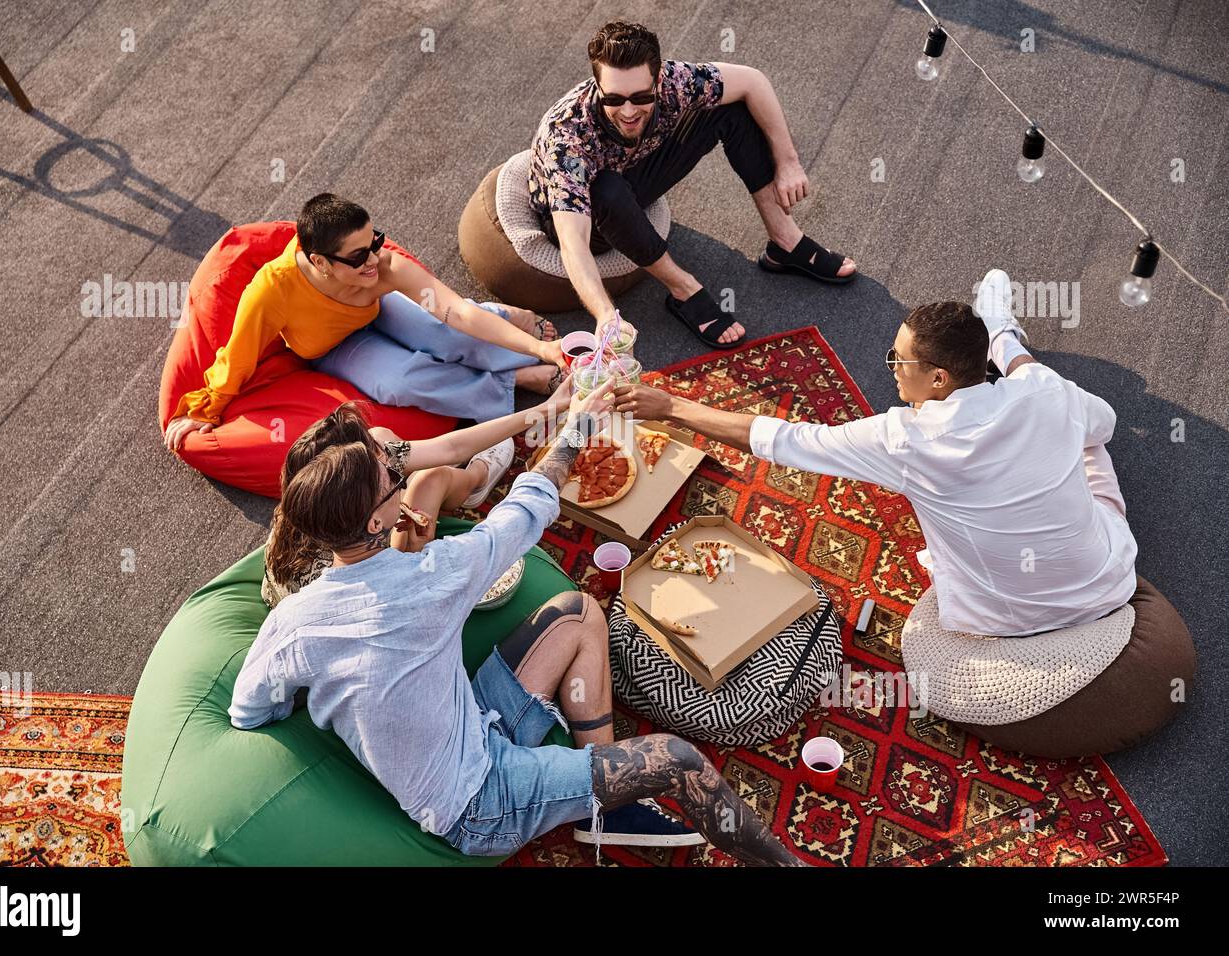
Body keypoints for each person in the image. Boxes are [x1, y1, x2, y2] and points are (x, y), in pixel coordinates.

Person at [230, 384, 803, 865]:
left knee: (579, 613)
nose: (403, 475)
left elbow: (249, 709)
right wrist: (576, 427)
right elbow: (528, 506)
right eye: (392, 479)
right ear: (379, 517)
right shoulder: (434, 577)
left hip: (471, 722)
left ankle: (604, 809)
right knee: (675, 760)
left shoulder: (292, 622)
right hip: (478, 804)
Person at [612, 269, 1138, 638]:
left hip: (1000, 616)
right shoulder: (1047, 392)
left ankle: (999, 330)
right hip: (1106, 582)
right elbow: (1105, 426)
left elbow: (782, 440)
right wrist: (1039, 393)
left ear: (937, 377)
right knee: (1079, 435)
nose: (890, 366)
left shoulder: (903, 438)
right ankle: (1002, 337)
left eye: (898, 359)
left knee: (1071, 431)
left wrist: (672, 407)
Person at [529, 19, 857, 351]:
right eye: (613, 99)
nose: (627, 111)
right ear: (597, 86)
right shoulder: (567, 140)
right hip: (586, 211)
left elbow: (752, 81)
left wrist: (788, 163)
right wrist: (604, 315)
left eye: (640, 96)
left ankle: (785, 242)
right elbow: (574, 244)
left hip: (634, 172)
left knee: (732, 110)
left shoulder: (676, 81)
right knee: (608, 189)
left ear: (658, 80)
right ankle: (683, 290)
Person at [165, 193, 566, 452]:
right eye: (357, 256)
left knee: (446, 333)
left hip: (379, 306)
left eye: (374, 242)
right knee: (399, 383)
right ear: (319, 261)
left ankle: (508, 323)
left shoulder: (380, 268)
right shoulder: (271, 290)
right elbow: (237, 355)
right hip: (334, 347)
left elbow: (456, 312)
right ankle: (514, 380)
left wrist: (540, 348)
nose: (373, 259)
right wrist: (205, 410)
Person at [262, 374, 579, 607]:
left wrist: (547, 408)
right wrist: (416, 551)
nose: (386, 459)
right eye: (380, 468)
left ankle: (471, 481)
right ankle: (474, 479)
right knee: (428, 480)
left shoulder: (315, 497)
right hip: (375, 592)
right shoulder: (348, 565)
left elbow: (452, 446)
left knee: (389, 440)